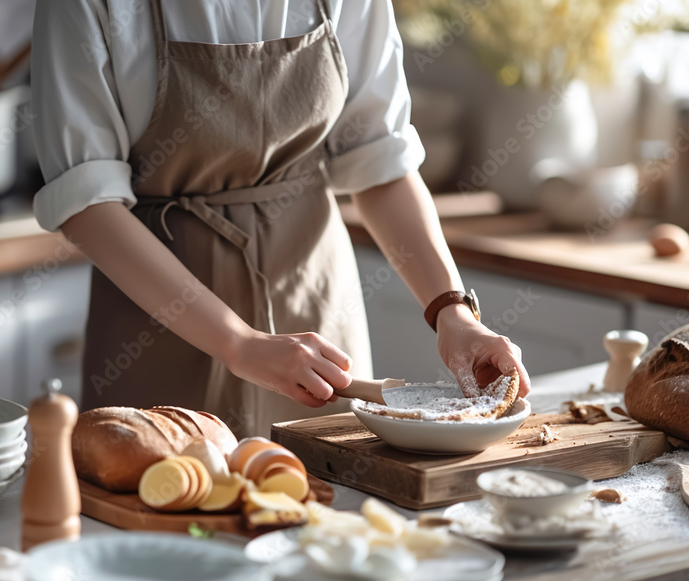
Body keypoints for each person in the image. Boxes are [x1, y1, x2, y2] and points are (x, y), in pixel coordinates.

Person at [30, 0, 530, 438]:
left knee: (334, 521)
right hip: (159, 329)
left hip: (317, 310)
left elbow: (381, 163)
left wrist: (452, 312)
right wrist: (238, 343)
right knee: (169, 510)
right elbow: (88, 205)